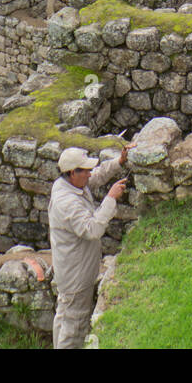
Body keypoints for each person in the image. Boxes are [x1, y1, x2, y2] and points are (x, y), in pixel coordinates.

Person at [48, 144, 128, 349]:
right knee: (74, 324)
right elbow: (92, 229)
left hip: (72, 270)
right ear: (73, 172)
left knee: (64, 316)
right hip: (76, 276)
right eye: (85, 170)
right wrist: (110, 199)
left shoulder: (70, 184)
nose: (90, 173)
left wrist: (118, 162)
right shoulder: (66, 202)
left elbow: (96, 177)